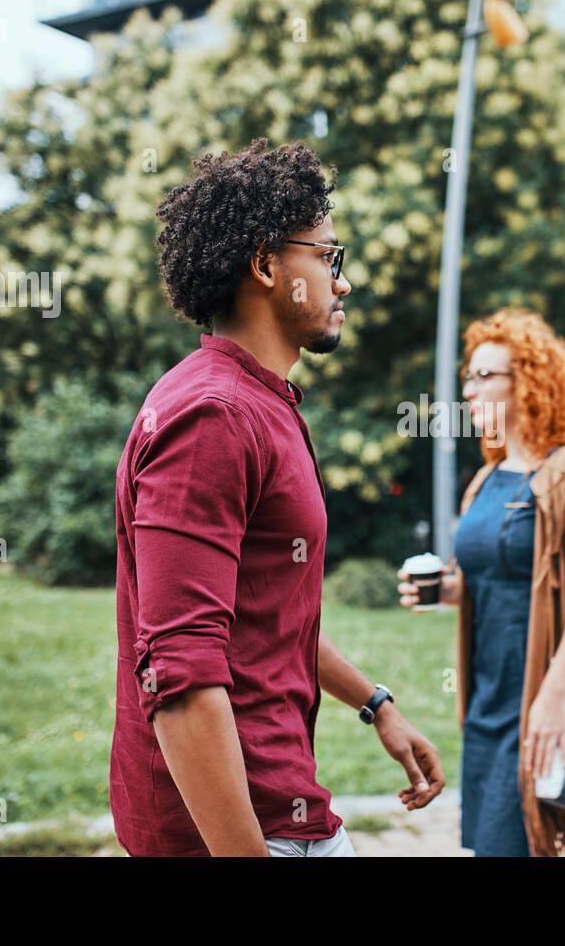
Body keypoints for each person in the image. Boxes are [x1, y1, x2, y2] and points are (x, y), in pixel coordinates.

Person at [112, 137, 444, 857]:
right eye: (327, 257)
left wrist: (374, 703)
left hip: (289, 812)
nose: (343, 282)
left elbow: (266, 607)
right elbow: (180, 672)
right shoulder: (211, 418)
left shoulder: (255, 402)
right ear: (266, 265)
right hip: (238, 832)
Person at [398, 308, 565, 857]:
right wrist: (448, 591)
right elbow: (493, 578)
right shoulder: (485, 480)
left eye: (484, 376)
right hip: (485, 706)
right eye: (467, 378)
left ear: (529, 381)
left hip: (537, 704)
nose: (469, 391)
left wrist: (552, 698)